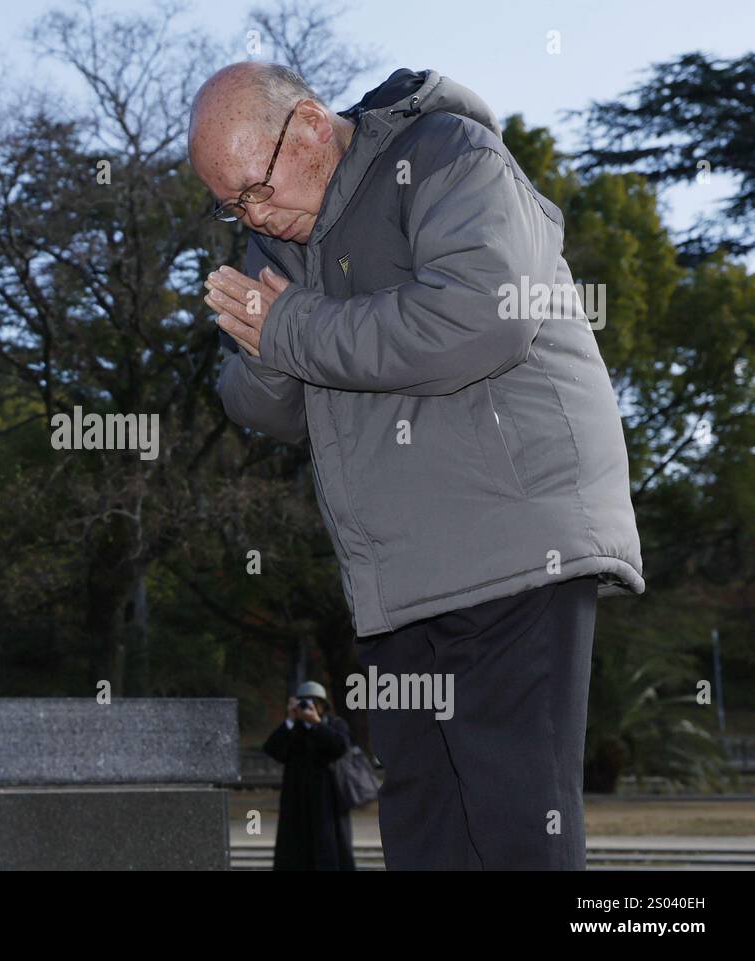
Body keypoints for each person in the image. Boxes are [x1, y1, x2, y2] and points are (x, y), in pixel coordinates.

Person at [187, 62, 645, 869]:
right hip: (398, 583)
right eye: (232, 205)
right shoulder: (283, 243)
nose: (252, 216)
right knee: (425, 835)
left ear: (312, 126)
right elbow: (266, 407)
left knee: (515, 829)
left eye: (255, 189)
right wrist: (268, 340)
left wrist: (288, 328)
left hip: (516, 549)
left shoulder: (446, 153)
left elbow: (478, 319)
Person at [262, 681, 356, 871]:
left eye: (314, 703)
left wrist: (316, 724)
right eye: (303, 703)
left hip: (327, 801)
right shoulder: (293, 729)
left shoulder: (334, 725)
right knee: (294, 853)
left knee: (329, 851)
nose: (308, 707)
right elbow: (272, 749)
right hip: (296, 801)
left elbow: (340, 747)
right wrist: (289, 720)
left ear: (322, 706)